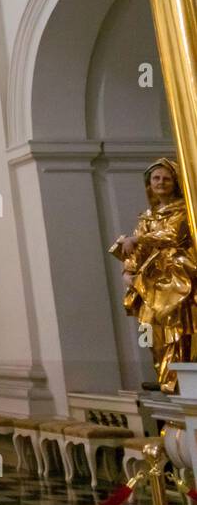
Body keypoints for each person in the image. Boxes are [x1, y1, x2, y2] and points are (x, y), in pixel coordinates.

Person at [111, 159, 197, 392]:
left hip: (175, 281)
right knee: (153, 337)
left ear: (175, 183)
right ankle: (164, 379)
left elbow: (171, 235)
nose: (161, 182)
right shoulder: (147, 216)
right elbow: (135, 251)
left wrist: (138, 239)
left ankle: (180, 384)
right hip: (149, 284)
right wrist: (127, 272)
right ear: (149, 183)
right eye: (156, 178)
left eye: (166, 178)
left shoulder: (183, 209)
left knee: (176, 333)